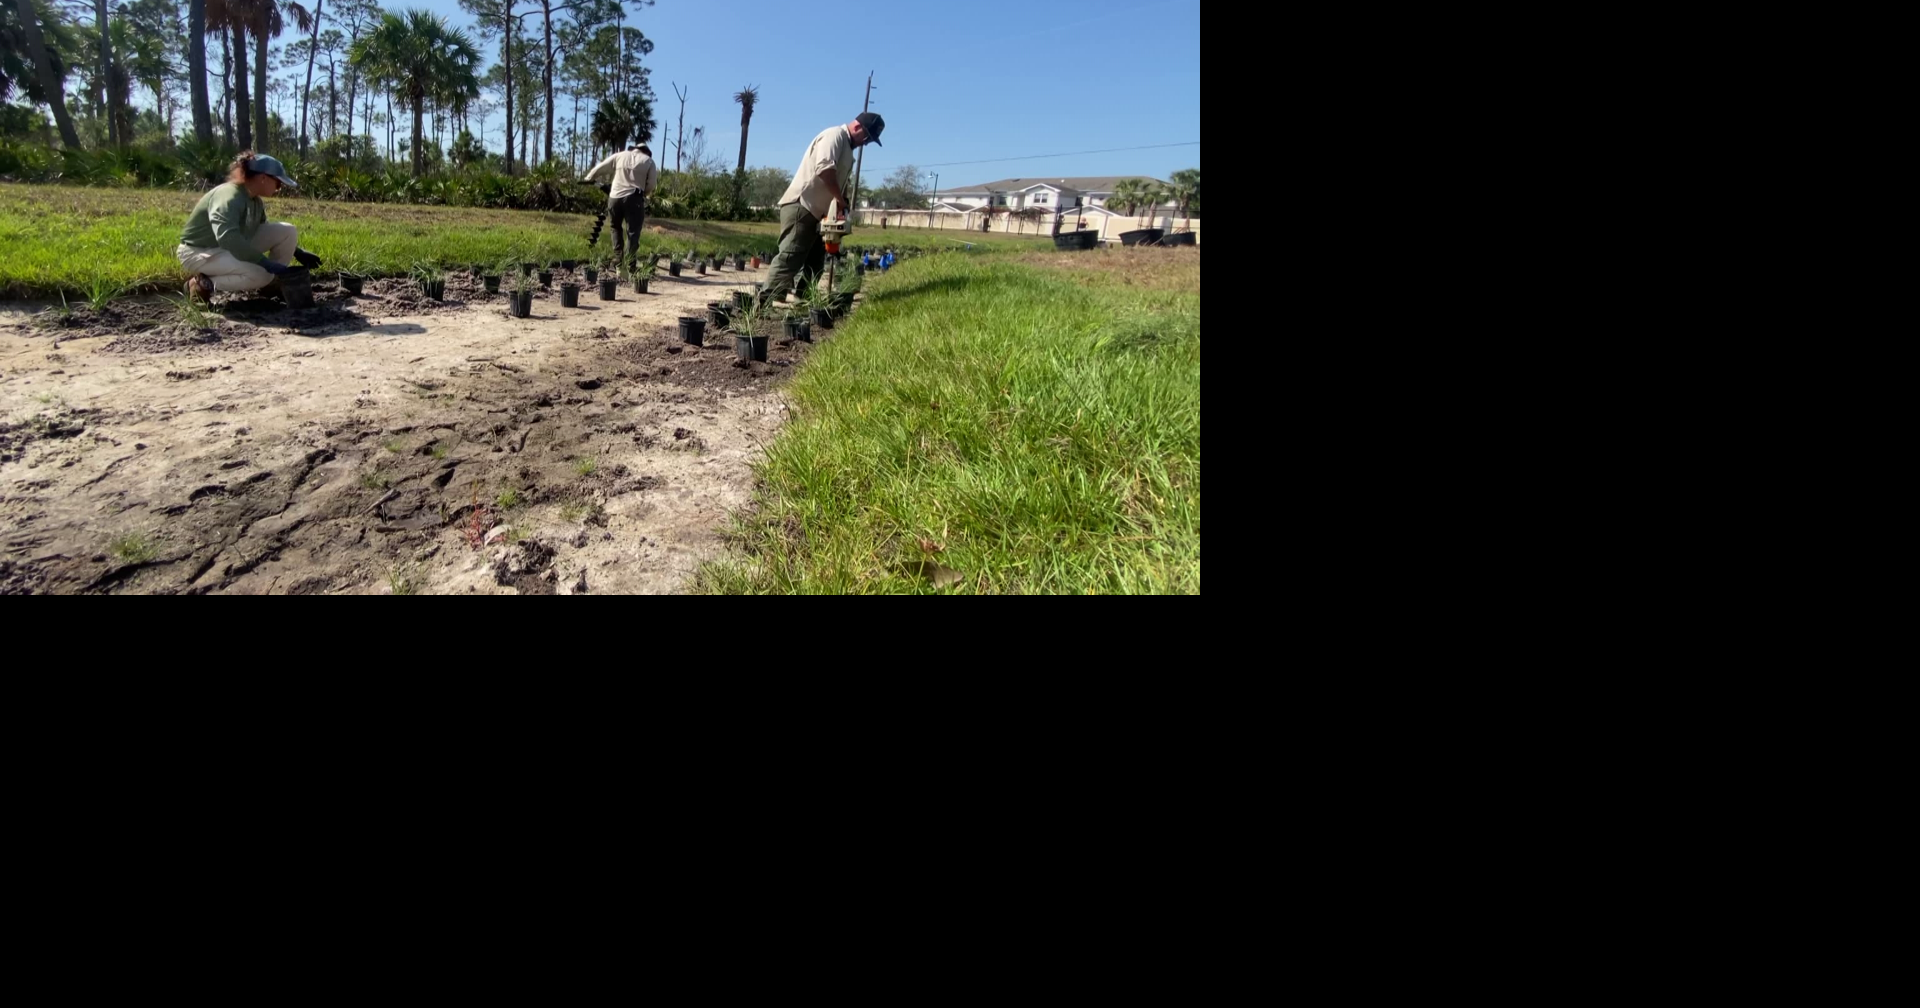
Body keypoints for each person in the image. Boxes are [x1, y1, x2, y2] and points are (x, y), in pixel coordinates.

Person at [760, 112, 885, 307]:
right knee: (791, 256)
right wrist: (839, 199)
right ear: (858, 127)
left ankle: (803, 300)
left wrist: (841, 203)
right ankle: (763, 303)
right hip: (802, 206)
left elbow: (838, 183)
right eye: (867, 137)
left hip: (820, 214)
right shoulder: (834, 136)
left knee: (816, 263)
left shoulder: (847, 151)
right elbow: (825, 170)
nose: (866, 142)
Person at [176, 152, 318, 301]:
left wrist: (297, 251)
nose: (279, 188)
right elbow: (228, 237)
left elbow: (262, 229)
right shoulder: (229, 196)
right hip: (199, 252)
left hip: (225, 247)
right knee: (261, 273)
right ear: (263, 178)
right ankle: (201, 284)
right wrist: (263, 262)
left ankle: (271, 283)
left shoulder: (254, 201)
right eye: (278, 183)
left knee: (288, 231)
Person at [584, 142, 658, 268]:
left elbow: (601, 167)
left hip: (614, 197)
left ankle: (618, 258)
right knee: (633, 231)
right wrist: (644, 194)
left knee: (615, 227)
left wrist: (589, 177)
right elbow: (651, 185)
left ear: (634, 149)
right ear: (646, 151)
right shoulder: (649, 161)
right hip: (634, 198)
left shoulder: (620, 155)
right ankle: (630, 263)